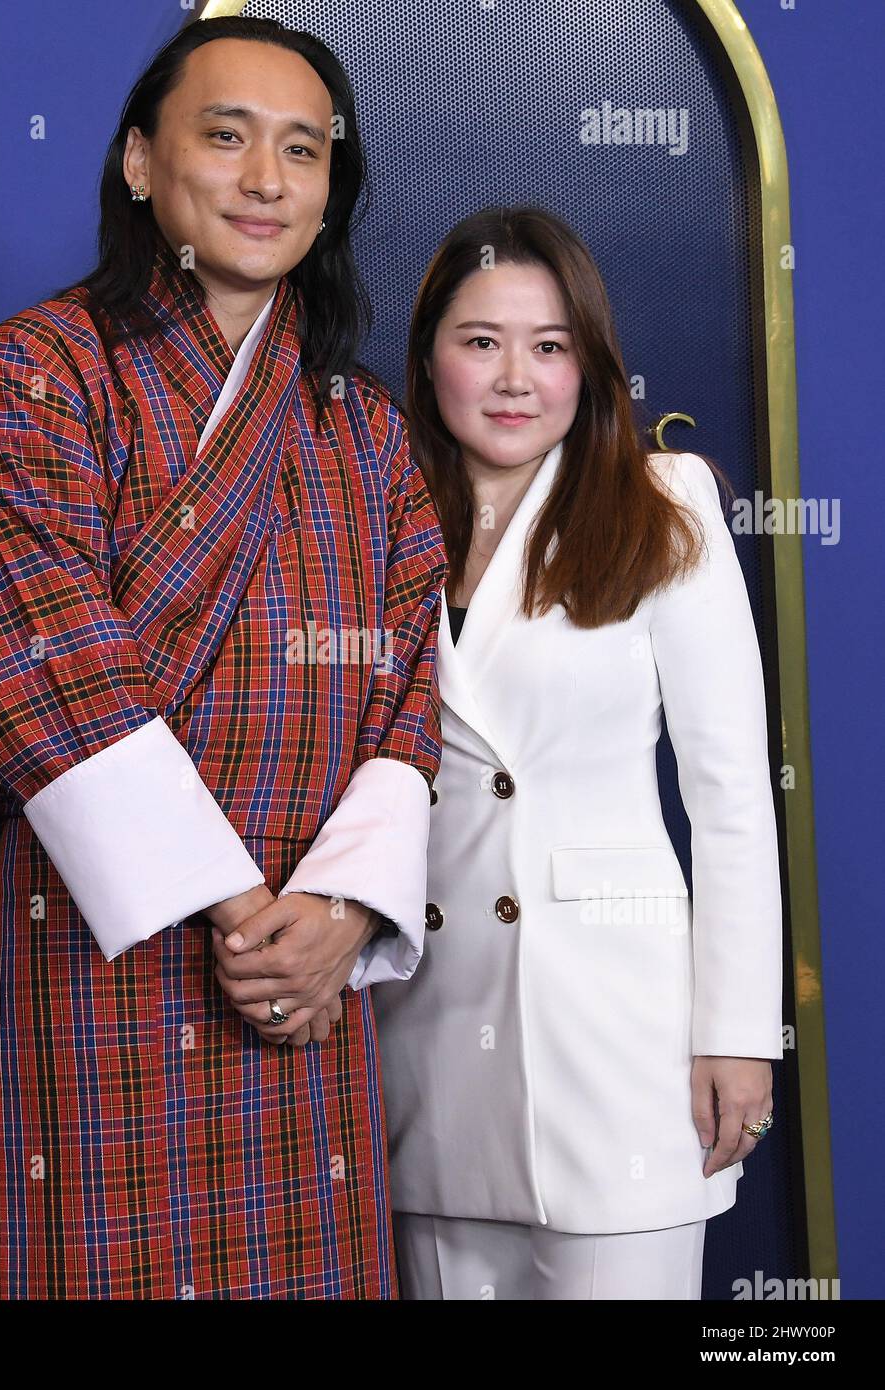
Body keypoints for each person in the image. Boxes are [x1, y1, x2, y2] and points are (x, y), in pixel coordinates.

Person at [0, 15, 447, 1300]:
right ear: (141, 162)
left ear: (330, 190)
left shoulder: (360, 425)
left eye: (301, 151)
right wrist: (241, 916)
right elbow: (31, 653)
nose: (266, 179)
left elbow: (415, 687)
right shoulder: (36, 374)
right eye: (226, 136)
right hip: (105, 957)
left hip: (304, 986)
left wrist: (345, 914)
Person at [372, 206, 783, 1300]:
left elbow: (731, 795)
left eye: (548, 346)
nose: (515, 378)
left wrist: (739, 1034)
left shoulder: (662, 505)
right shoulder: (374, 519)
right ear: (426, 358)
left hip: (615, 1044)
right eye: (479, 342)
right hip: (430, 1042)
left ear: (588, 365)